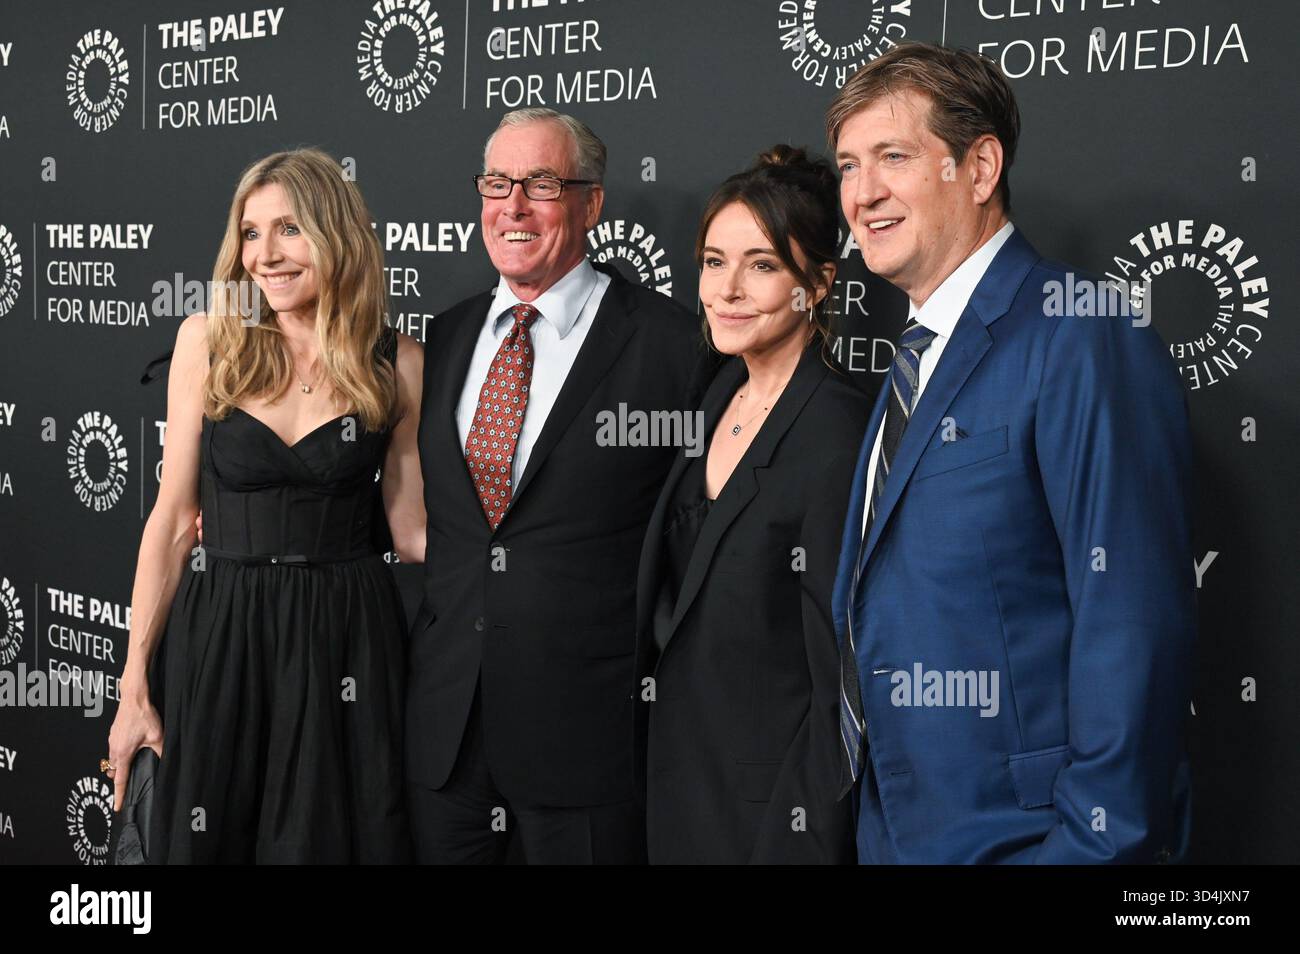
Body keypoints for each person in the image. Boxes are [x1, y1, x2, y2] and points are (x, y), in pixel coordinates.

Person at [827, 43, 1196, 863]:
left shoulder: (1084, 332)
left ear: (981, 166)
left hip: (1032, 841)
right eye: (849, 166)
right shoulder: (914, 358)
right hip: (899, 833)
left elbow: (1131, 624)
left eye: (893, 157)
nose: (862, 194)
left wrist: (1091, 848)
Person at [405, 107, 713, 864]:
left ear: (591, 203)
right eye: (496, 182)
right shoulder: (440, 341)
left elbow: (698, 543)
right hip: (447, 746)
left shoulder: (672, 346)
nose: (512, 205)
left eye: (540, 182)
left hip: (587, 751)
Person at [108, 148, 426, 863]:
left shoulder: (396, 361)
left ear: (337, 235)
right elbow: (170, 522)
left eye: (289, 230)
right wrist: (133, 688)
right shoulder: (209, 342)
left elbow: (411, 533)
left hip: (347, 638)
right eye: (250, 233)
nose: (265, 255)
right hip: (222, 631)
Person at [633, 146, 867, 864]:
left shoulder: (839, 428)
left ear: (819, 283)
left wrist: (802, 834)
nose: (727, 290)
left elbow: (839, 681)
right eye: (712, 261)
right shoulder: (715, 395)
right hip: (679, 783)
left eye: (762, 265)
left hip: (770, 817)